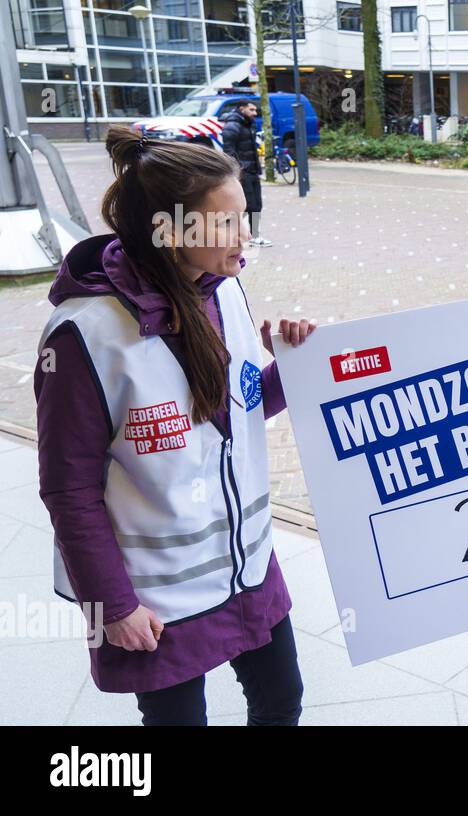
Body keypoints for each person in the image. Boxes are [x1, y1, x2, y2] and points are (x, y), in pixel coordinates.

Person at [34, 126, 318, 725]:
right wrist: (112, 606)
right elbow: (68, 489)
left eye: (246, 217)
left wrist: (294, 367)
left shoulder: (225, 291)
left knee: (281, 699)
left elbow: (236, 411)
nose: (247, 236)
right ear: (172, 232)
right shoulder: (84, 335)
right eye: (228, 223)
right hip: (152, 594)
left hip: (244, 565)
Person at [220, 99, 271, 248]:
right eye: (252, 110)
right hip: (244, 172)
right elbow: (229, 151)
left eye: (255, 110)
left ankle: (242, 233)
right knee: (250, 206)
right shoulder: (233, 125)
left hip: (252, 171)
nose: (255, 113)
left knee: (256, 205)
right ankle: (248, 235)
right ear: (242, 109)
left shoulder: (246, 124)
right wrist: (237, 171)